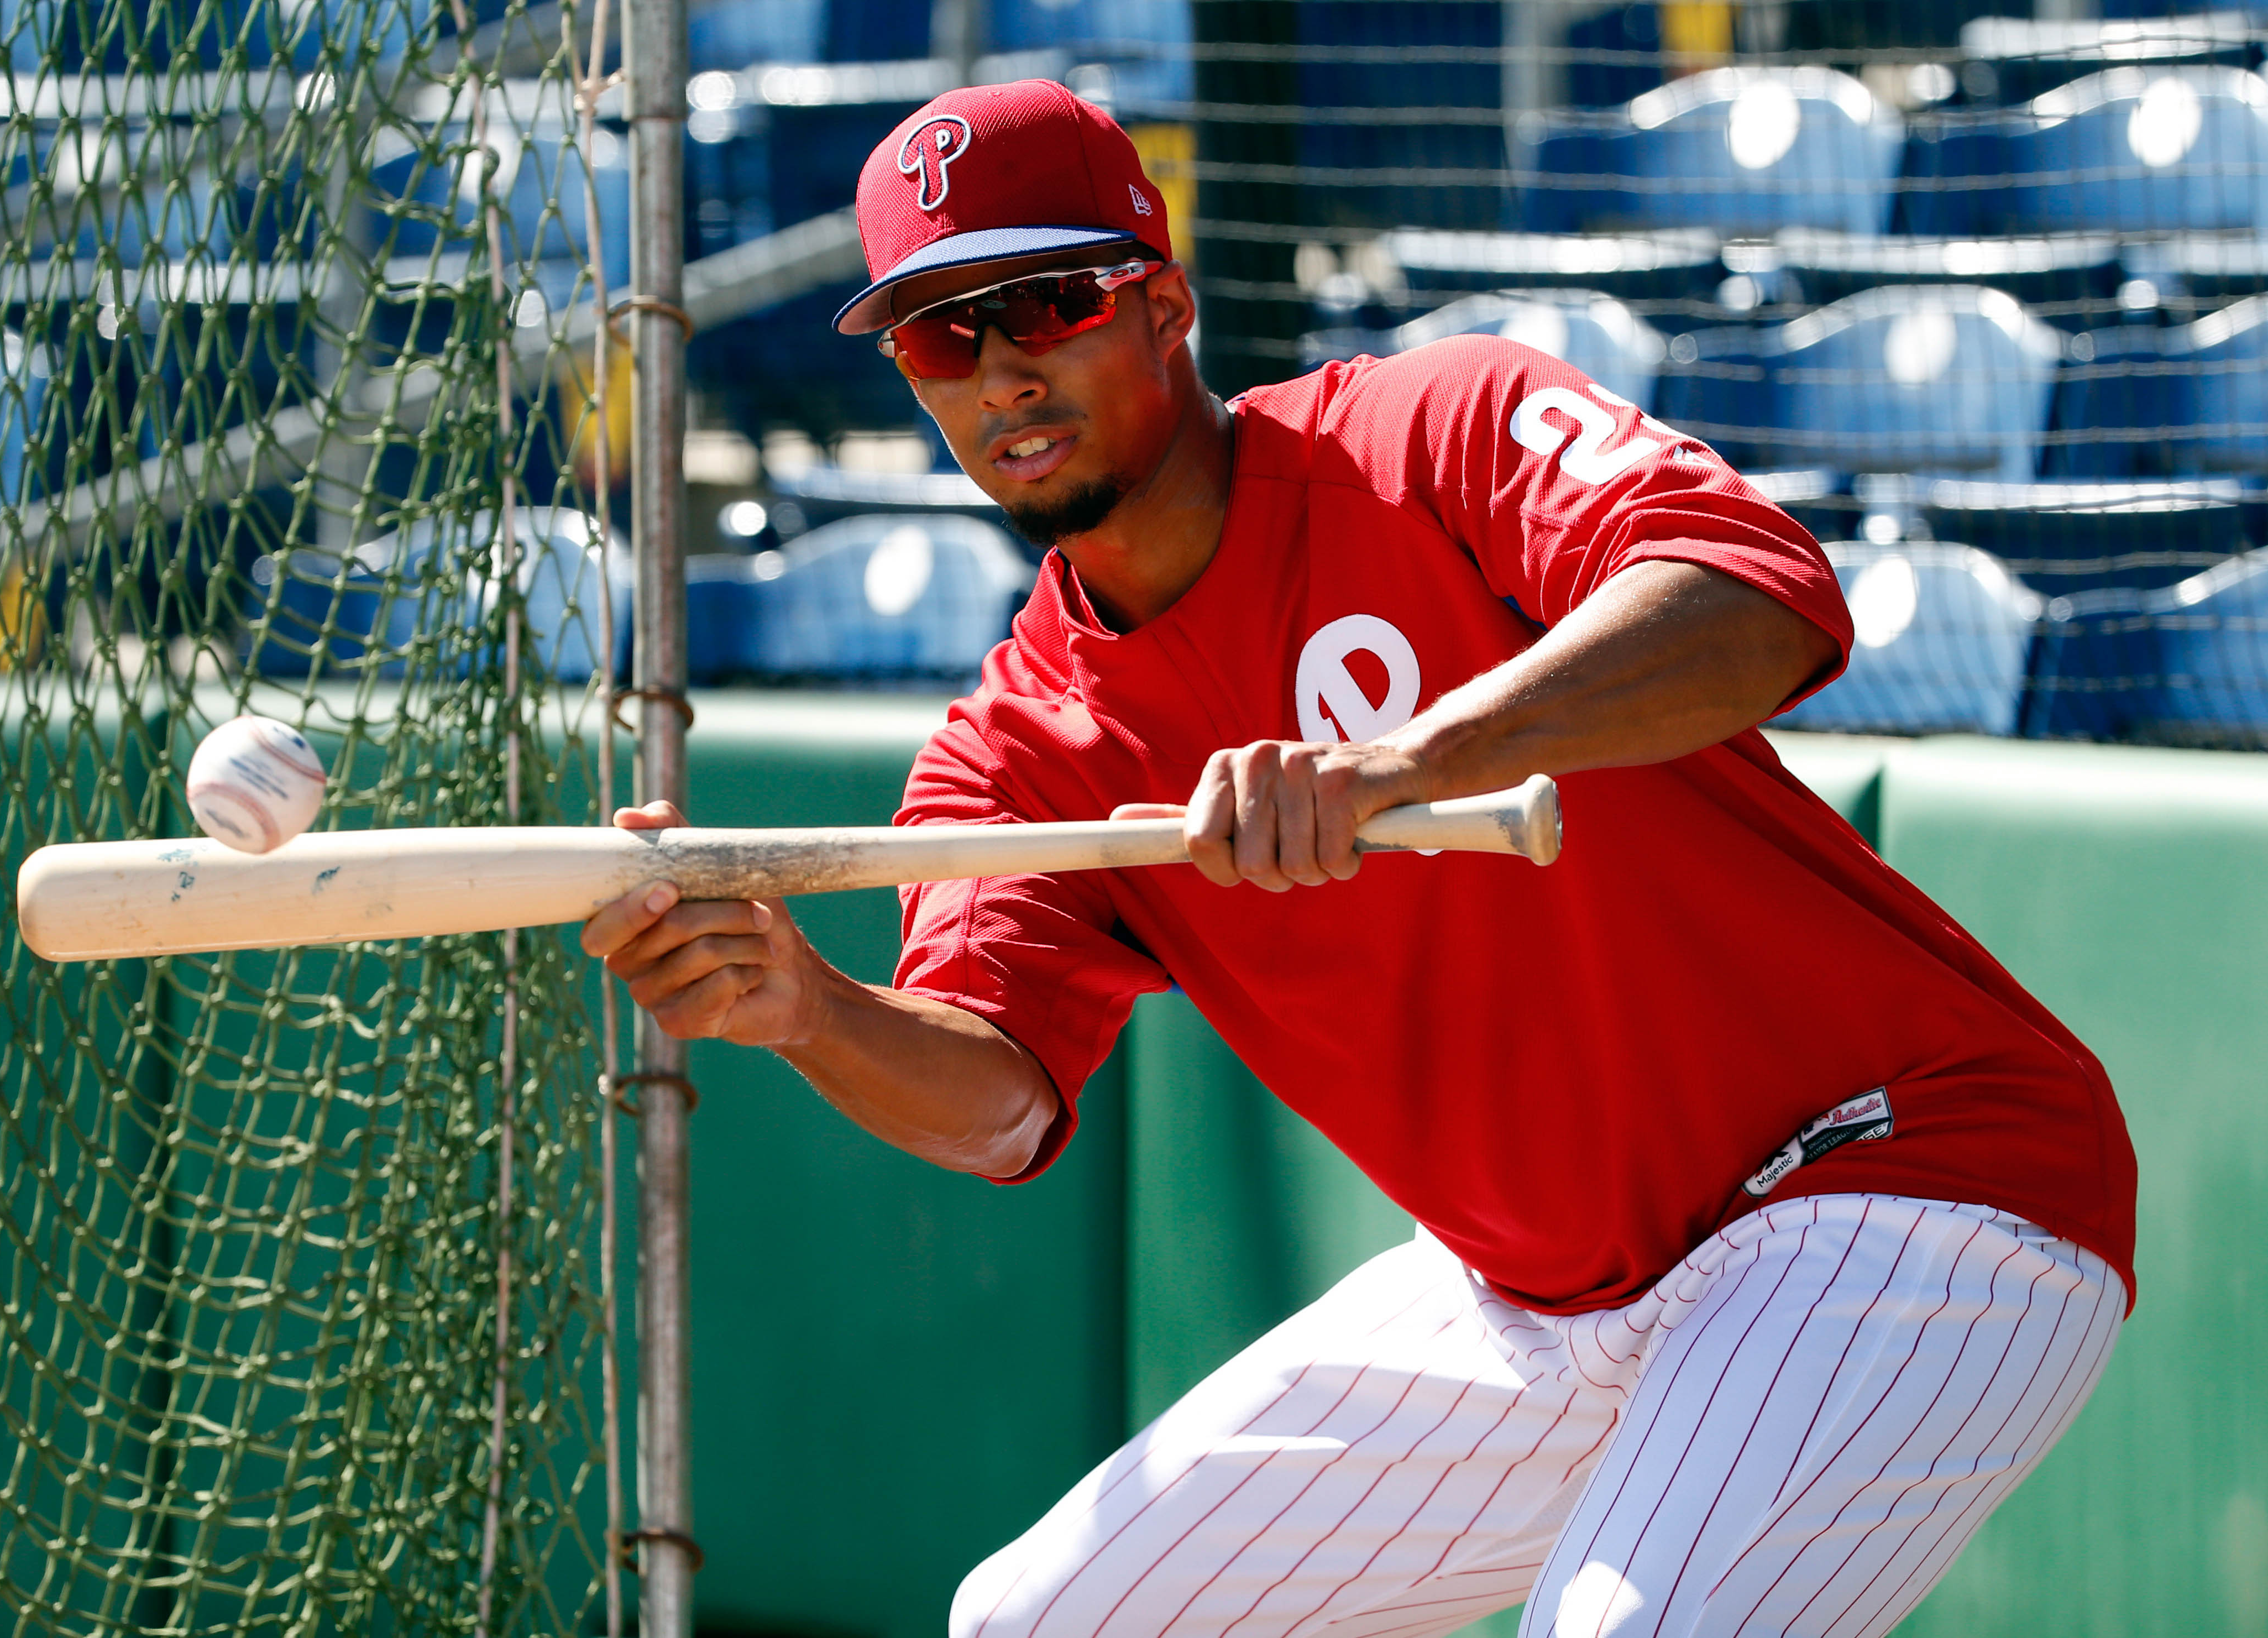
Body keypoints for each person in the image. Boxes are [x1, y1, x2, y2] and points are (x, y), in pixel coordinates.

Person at [582, 81, 2135, 1638]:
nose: (1001, 369)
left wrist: (1412, 759)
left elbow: (1757, 595)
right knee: (1039, 1622)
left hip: (1900, 1178)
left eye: (1046, 301)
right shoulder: (1016, 746)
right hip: (1540, 1295)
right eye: (938, 333)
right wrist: (800, 1007)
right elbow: (998, 1100)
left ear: (1165, 305)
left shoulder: (1427, 433)